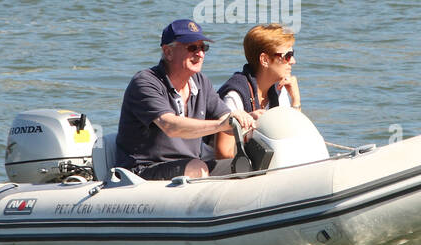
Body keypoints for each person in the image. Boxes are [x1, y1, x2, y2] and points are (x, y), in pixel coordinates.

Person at [115, 19, 256, 180]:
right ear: (168, 52)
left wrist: (247, 119)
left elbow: (225, 119)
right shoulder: (145, 82)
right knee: (197, 167)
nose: (200, 54)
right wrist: (221, 125)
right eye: (192, 47)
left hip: (191, 166)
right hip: (142, 171)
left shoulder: (201, 82)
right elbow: (170, 126)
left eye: (203, 47)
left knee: (251, 167)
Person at [214, 24, 300, 161]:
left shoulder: (278, 90)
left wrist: (295, 100)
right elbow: (224, 153)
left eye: (292, 54)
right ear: (265, 60)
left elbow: (292, 137)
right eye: (287, 56)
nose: (293, 61)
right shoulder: (235, 94)